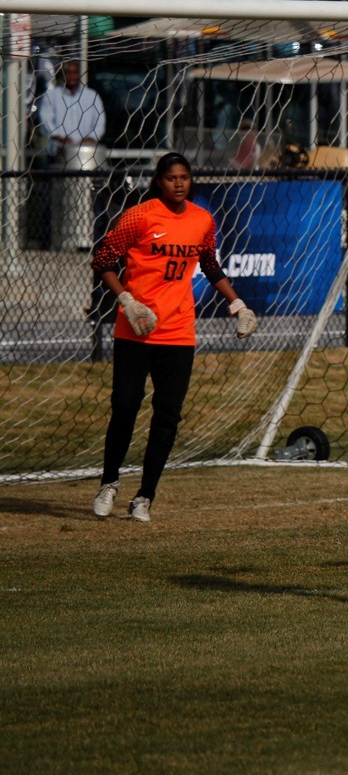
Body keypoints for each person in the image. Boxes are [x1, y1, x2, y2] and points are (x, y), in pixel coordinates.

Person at [90, 153, 258, 522]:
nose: (179, 183)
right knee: (125, 407)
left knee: (167, 416)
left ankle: (145, 496)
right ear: (159, 181)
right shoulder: (140, 215)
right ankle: (109, 483)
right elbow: (102, 258)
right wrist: (127, 300)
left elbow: (210, 265)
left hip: (178, 333)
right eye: (171, 178)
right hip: (135, 329)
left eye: (184, 177)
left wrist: (238, 305)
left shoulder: (202, 220)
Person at [36, 60, 107, 251]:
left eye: (75, 73)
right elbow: (44, 120)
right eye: (69, 73)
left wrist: (88, 139)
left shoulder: (92, 97)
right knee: (53, 200)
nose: (72, 76)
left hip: (86, 160)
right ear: (64, 75)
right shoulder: (53, 95)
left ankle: (91, 240)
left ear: (80, 75)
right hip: (59, 157)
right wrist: (57, 135)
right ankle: (51, 239)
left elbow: (99, 125)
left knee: (91, 201)